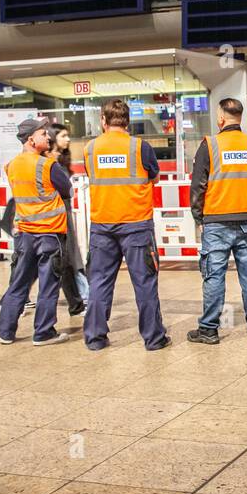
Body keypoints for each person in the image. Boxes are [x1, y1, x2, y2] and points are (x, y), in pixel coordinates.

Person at [82, 100, 169, 351]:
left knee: (99, 282)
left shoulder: (90, 148)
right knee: (145, 282)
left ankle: (95, 338)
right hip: (137, 225)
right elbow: (154, 176)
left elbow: (92, 176)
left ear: (103, 121)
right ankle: (153, 339)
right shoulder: (140, 147)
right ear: (128, 121)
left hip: (102, 225)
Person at [187, 98, 247, 343]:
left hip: (216, 220)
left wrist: (198, 217)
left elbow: (198, 187)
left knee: (214, 275)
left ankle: (208, 330)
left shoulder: (210, 145)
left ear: (221, 118)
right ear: (240, 117)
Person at [0, 118, 71, 346]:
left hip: (25, 235)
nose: (48, 137)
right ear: (31, 139)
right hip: (49, 234)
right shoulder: (48, 165)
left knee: (19, 282)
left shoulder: (11, 165)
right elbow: (67, 189)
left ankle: (5, 331)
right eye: (43, 134)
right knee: (48, 284)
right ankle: (43, 332)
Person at [48, 123, 86, 315]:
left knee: (68, 258)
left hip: (64, 213)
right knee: (64, 259)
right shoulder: (48, 162)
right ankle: (79, 301)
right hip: (54, 216)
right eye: (63, 135)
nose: (68, 139)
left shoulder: (60, 161)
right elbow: (66, 190)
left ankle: (77, 302)